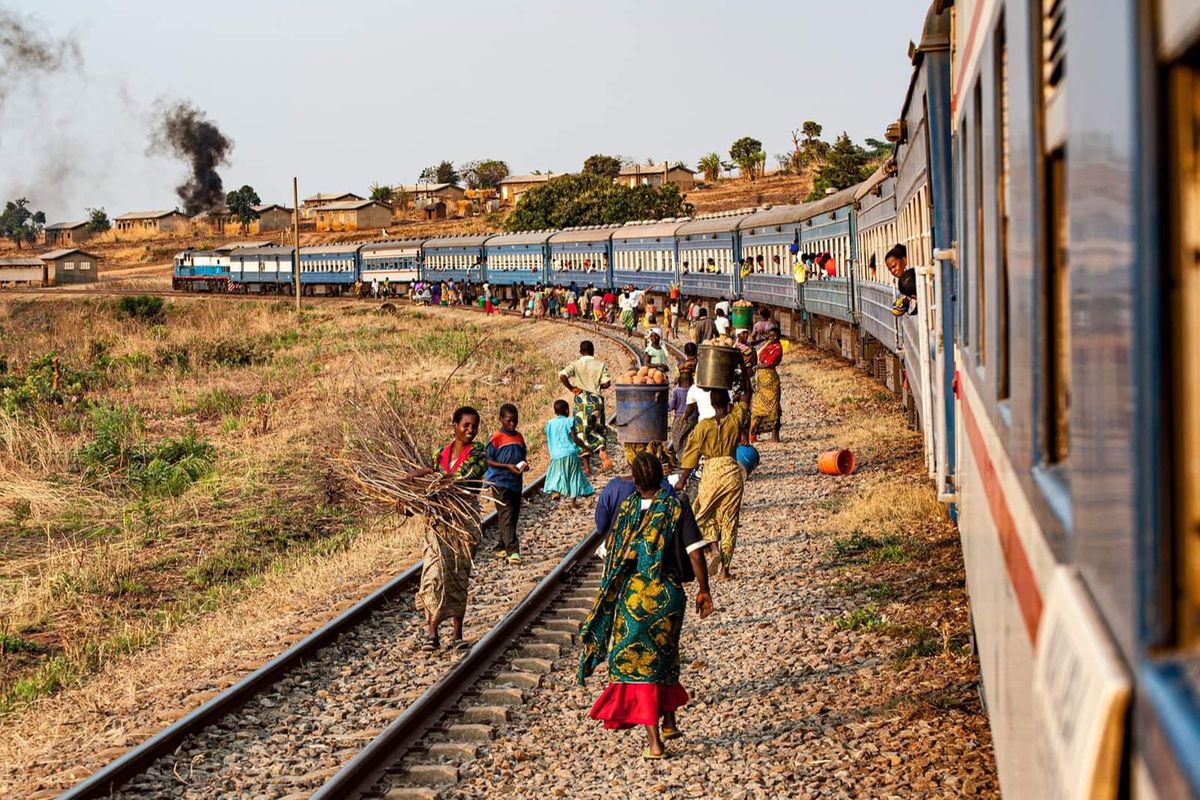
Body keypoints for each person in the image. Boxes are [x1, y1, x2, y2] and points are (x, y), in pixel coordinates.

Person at [579, 453, 714, 759]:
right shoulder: (676, 505)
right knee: (665, 655)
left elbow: (608, 554)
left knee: (639, 667)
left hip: (633, 598)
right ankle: (669, 721)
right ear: (661, 478)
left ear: (635, 482)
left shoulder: (625, 510)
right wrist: (704, 589)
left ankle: (654, 743)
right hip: (668, 596)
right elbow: (695, 552)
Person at [414, 406, 487, 651]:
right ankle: (432, 633)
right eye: (466, 425)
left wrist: (430, 477)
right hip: (439, 522)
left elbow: (464, 479)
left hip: (464, 521)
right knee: (434, 573)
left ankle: (457, 634)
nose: (470, 430)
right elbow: (434, 482)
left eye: (474, 426)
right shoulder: (439, 454)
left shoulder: (478, 452)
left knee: (458, 573)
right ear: (454, 425)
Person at [674, 386, 750, 580]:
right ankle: (725, 569)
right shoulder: (735, 419)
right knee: (729, 521)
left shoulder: (703, 427)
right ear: (728, 404)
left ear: (711, 404)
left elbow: (691, 455)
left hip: (711, 473)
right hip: (732, 472)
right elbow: (747, 394)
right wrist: (741, 364)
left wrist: (682, 480)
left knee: (701, 513)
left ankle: (713, 548)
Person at [559, 340, 615, 472]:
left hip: (582, 402)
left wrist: (571, 388)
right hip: (597, 401)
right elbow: (607, 383)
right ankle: (601, 450)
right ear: (593, 351)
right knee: (598, 429)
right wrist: (596, 386)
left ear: (580, 351)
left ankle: (586, 467)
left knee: (581, 434)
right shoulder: (600, 365)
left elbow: (562, 375)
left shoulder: (576, 364)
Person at [485, 404, 529, 563]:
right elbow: (488, 460)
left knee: (513, 515)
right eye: (509, 421)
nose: (512, 424)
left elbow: (523, 455)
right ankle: (513, 551)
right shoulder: (496, 438)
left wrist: (524, 464)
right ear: (501, 420)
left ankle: (502, 546)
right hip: (499, 481)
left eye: (514, 421)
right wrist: (507, 467)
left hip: (515, 482)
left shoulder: (519, 437)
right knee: (506, 513)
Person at [544, 399, 594, 498]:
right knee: (574, 477)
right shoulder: (569, 421)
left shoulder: (549, 423)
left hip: (556, 455)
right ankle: (573, 502)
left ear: (555, 411)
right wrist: (586, 448)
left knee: (556, 475)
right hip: (570, 454)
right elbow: (574, 438)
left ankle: (556, 491)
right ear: (567, 410)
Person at [751, 325, 784, 442]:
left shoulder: (778, 348)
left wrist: (758, 366)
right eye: (770, 336)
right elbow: (753, 344)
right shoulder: (768, 345)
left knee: (773, 407)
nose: (772, 337)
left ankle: (775, 436)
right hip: (762, 380)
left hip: (770, 379)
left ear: (779, 336)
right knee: (758, 406)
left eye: (774, 336)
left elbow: (770, 363)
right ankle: (754, 434)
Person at [668, 370, 693, 454]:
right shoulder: (693, 390)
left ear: (680, 381)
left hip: (680, 419)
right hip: (693, 419)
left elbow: (671, 406)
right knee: (688, 439)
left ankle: (680, 457)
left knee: (677, 439)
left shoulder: (676, 391)